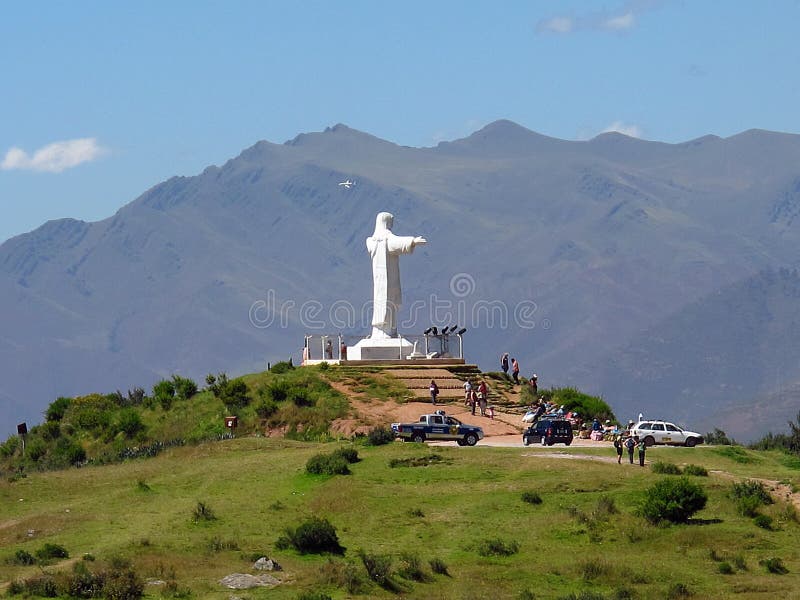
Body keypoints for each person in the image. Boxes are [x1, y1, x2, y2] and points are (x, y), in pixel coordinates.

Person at [366, 212, 426, 339]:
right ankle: (384, 332)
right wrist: (413, 241)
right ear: (386, 222)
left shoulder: (373, 241)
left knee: (387, 304)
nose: (391, 225)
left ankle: (388, 331)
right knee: (386, 303)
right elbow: (396, 243)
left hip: (384, 280)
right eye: (390, 222)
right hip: (386, 281)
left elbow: (394, 243)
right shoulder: (384, 240)